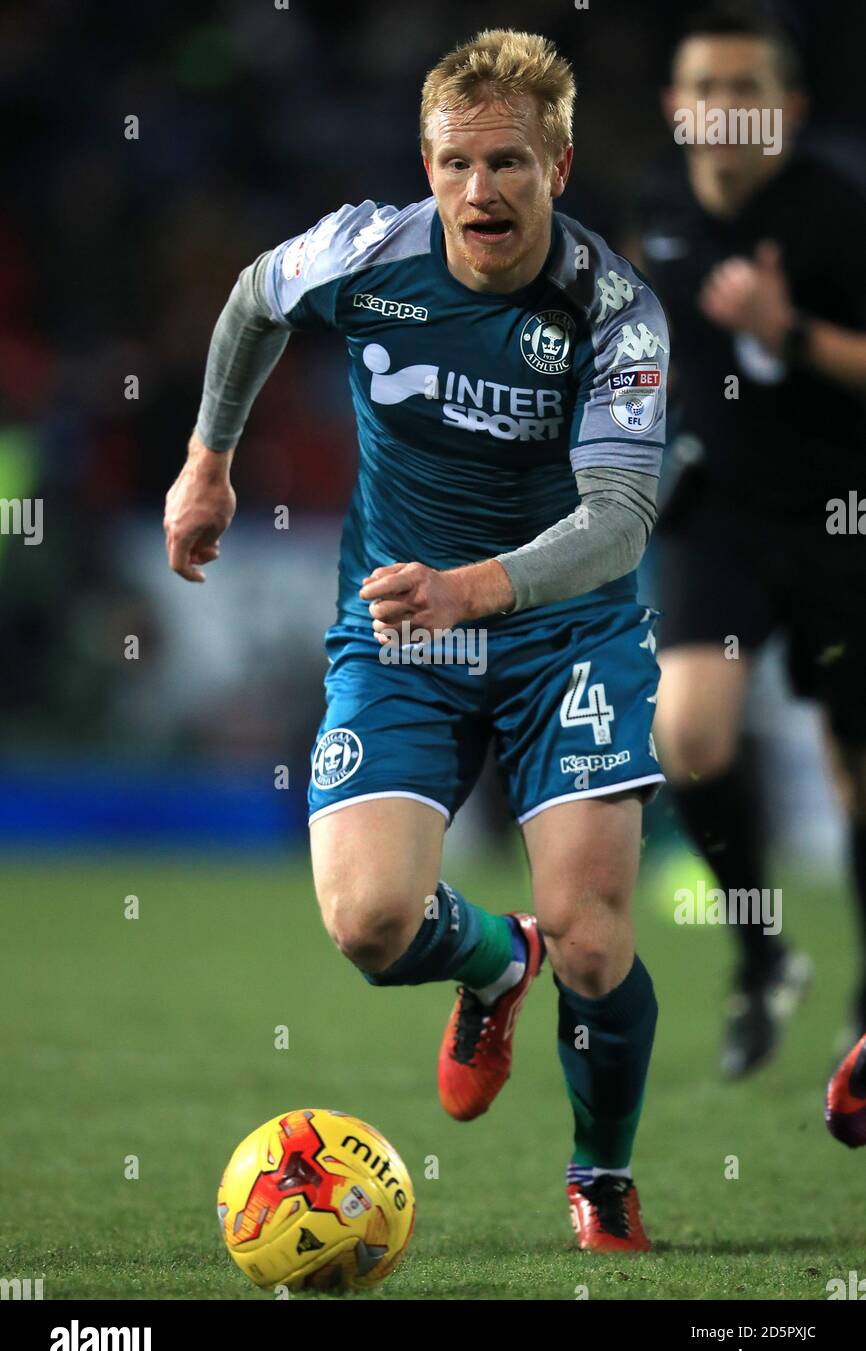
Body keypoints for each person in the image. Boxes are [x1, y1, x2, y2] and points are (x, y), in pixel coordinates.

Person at [164, 29, 669, 1253]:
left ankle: (597, 1176)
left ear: (557, 162)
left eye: (507, 163)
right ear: (424, 164)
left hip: (566, 637)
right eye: (454, 163)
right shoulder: (364, 250)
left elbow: (616, 521)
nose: (478, 192)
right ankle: (495, 963)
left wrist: (479, 587)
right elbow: (250, 300)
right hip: (402, 628)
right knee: (369, 923)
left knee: (597, 940)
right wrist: (208, 460)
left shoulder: (615, 312)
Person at [628, 2, 866, 1078]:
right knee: (688, 734)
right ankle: (760, 951)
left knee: (852, 772)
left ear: (788, 110)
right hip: (716, 518)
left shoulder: (839, 213)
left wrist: (788, 333)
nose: (723, 110)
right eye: (705, 91)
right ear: (676, 108)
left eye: (746, 91)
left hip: (840, 521)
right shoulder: (658, 218)